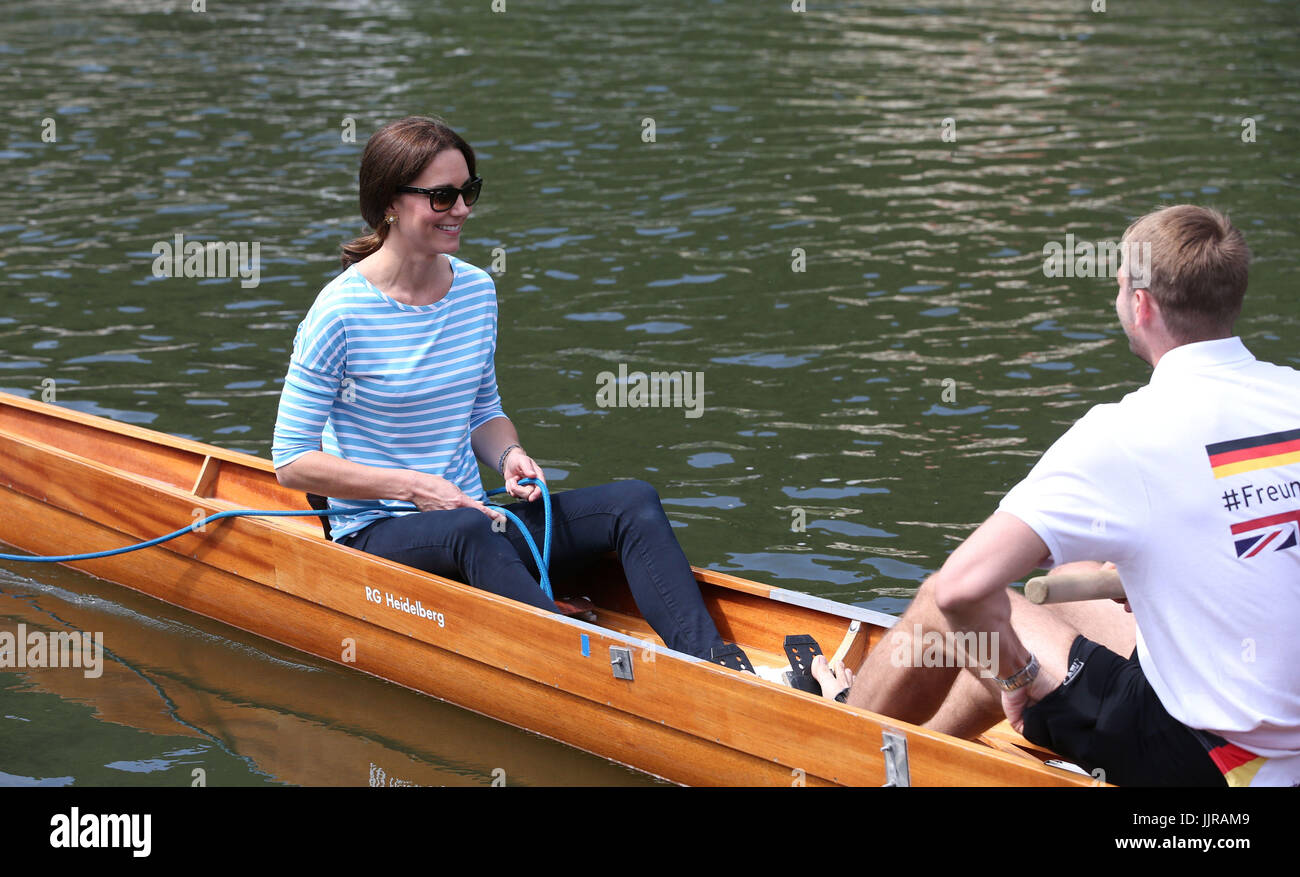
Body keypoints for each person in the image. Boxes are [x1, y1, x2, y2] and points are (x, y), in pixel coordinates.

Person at [814, 205, 1300, 786]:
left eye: (1119, 284)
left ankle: (825, 753)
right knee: (1029, 610)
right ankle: (919, 762)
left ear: (1140, 305)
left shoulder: (1126, 432)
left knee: (941, 608)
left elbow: (962, 589)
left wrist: (1017, 679)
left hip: (1214, 763)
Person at [271, 116, 726, 661]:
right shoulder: (338, 312)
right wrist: (416, 487)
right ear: (390, 202)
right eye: (443, 196)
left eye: (469, 191)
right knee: (468, 528)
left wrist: (510, 454)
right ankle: (572, 662)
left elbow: (483, 411)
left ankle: (719, 668)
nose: (462, 209)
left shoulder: (476, 290)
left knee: (634, 501)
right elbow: (291, 461)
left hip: (476, 518)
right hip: (380, 533)